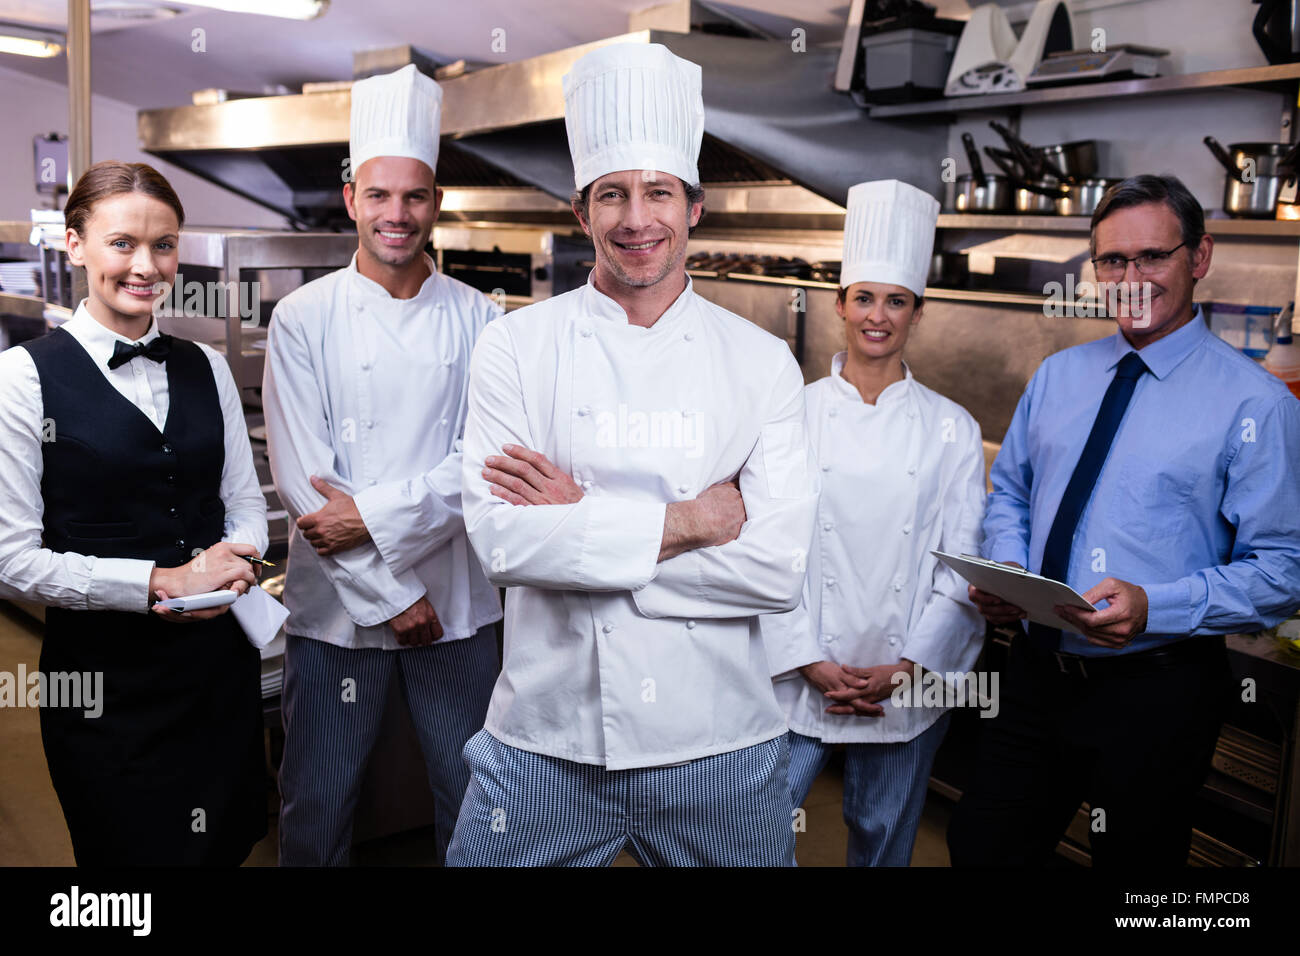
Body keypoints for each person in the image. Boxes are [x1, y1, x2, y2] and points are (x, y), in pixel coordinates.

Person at [444, 42, 819, 867]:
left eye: (658, 192)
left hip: (721, 744)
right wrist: (691, 522)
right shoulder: (514, 347)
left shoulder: (761, 362)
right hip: (544, 738)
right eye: (611, 194)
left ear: (694, 208)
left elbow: (776, 571)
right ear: (581, 214)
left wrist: (582, 528)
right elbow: (502, 544)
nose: (636, 218)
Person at [947, 173, 1300, 867]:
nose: (1130, 277)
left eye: (1152, 257)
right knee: (983, 850)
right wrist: (1013, 572)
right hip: (1036, 677)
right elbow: (1012, 491)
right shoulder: (1059, 375)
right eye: (1112, 260)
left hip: (1158, 693)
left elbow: (1284, 571)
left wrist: (1154, 606)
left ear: (1198, 257)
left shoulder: (1257, 404)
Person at [263, 64, 503, 867]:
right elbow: (305, 480)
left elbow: (484, 464)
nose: (396, 215)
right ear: (351, 199)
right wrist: (395, 594)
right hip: (339, 613)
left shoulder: (483, 319)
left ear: (437, 203)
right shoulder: (303, 317)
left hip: (460, 610)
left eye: (415, 196)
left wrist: (367, 515)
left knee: (470, 794)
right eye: (379, 195)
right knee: (318, 800)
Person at [0, 161, 268, 865]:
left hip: (216, 677)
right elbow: (11, 559)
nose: (146, 266)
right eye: (122, 243)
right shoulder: (22, 378)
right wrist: (159, 581)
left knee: (224, 847)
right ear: (75, 243)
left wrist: (231, 562)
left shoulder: (206, 365)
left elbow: (242, 502)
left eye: (164, 245)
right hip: (102, 691)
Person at [761, 180, 986, 866]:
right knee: (754, 832)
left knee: (884, 842)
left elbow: (963, 563)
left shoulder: (952, 428)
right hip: (798, 672)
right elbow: (763, 549)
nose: (878, 316)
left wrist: (911, 666)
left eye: (896, 300)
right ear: (839, 304)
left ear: (919, 312)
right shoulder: (789, 415)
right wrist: (808, 658)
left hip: (904, 679)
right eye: (864, 297)